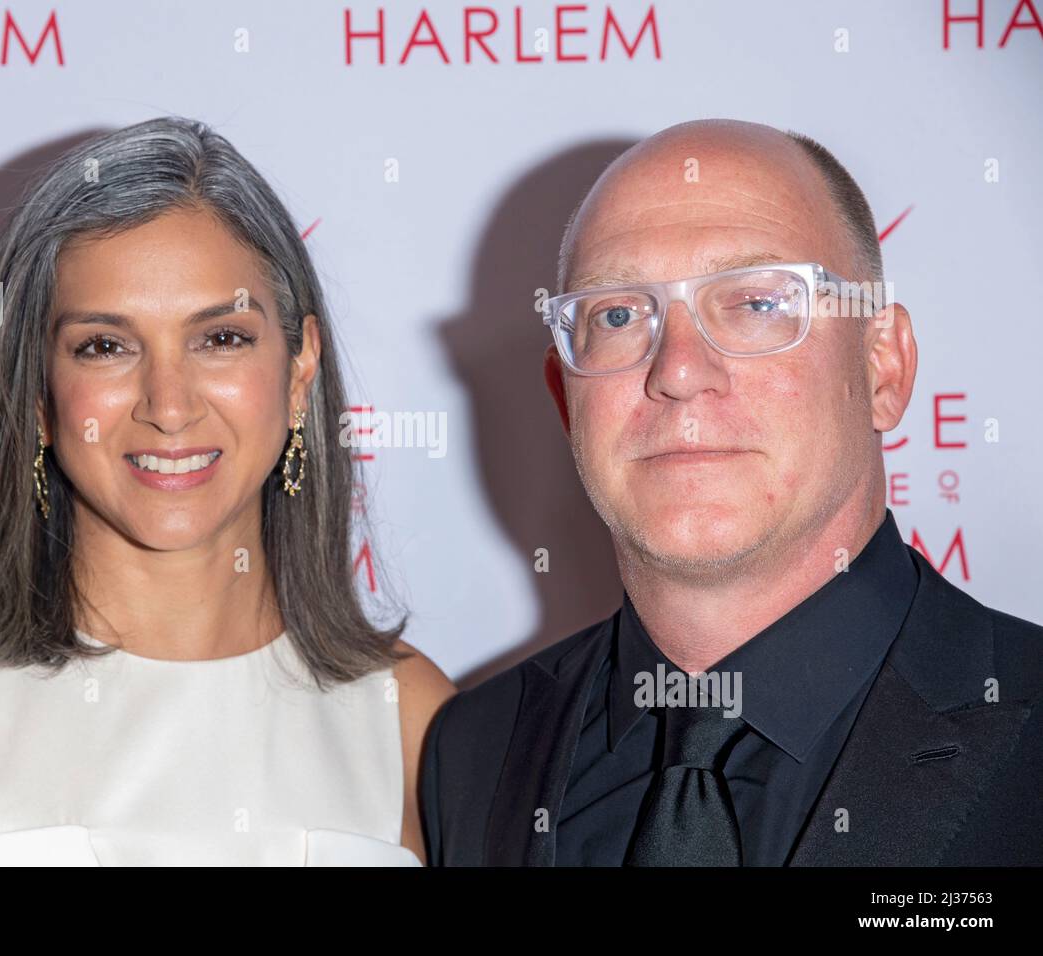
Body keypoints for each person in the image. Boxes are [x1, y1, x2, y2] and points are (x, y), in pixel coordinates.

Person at [0, 116, 454, 866]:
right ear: (36, 394)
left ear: (300, 367)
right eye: (105, 346)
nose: (170, 405)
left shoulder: (414, 723)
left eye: (221, 338)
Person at [419, 119, 1043, 866]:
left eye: (756, 303)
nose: (678, 370)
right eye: (618, 315)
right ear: (566, 400)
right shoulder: (471, 754)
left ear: (883, 369)